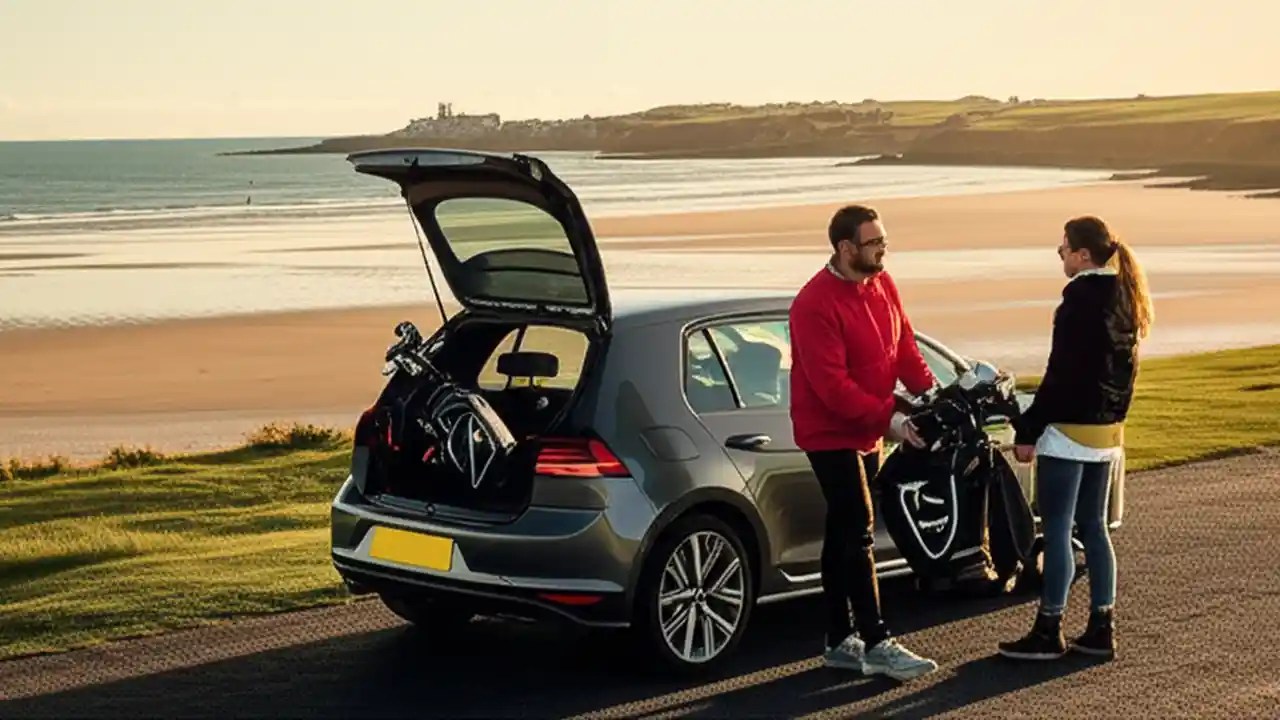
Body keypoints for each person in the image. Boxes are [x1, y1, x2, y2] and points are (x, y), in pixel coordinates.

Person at [789, 204, 940, 681]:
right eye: (874, 243)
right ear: (845, 248)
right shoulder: (813, 304)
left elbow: (904, 348)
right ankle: (876, 642)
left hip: (867, 429)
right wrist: (890, 421)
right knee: (858, 528)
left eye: (883, 241)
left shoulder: (883, 283)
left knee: (842, 533)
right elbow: (832, 388)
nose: (882, 250)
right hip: (829, 431)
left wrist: (930, 394)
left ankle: (838, 639)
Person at [998, 215, 1153, 662]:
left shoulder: (1078, 300)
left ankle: (1049, 628)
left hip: (1069, 432)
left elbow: (1061, 376)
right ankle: (1102, 627)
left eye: (1063, 248)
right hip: (1108, 431)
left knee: (1060, 529)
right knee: (1095, 528)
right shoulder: (1127, 297)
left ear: (1083, 255)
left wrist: (1028, 427)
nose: (1060, 255)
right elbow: (1125, 374)